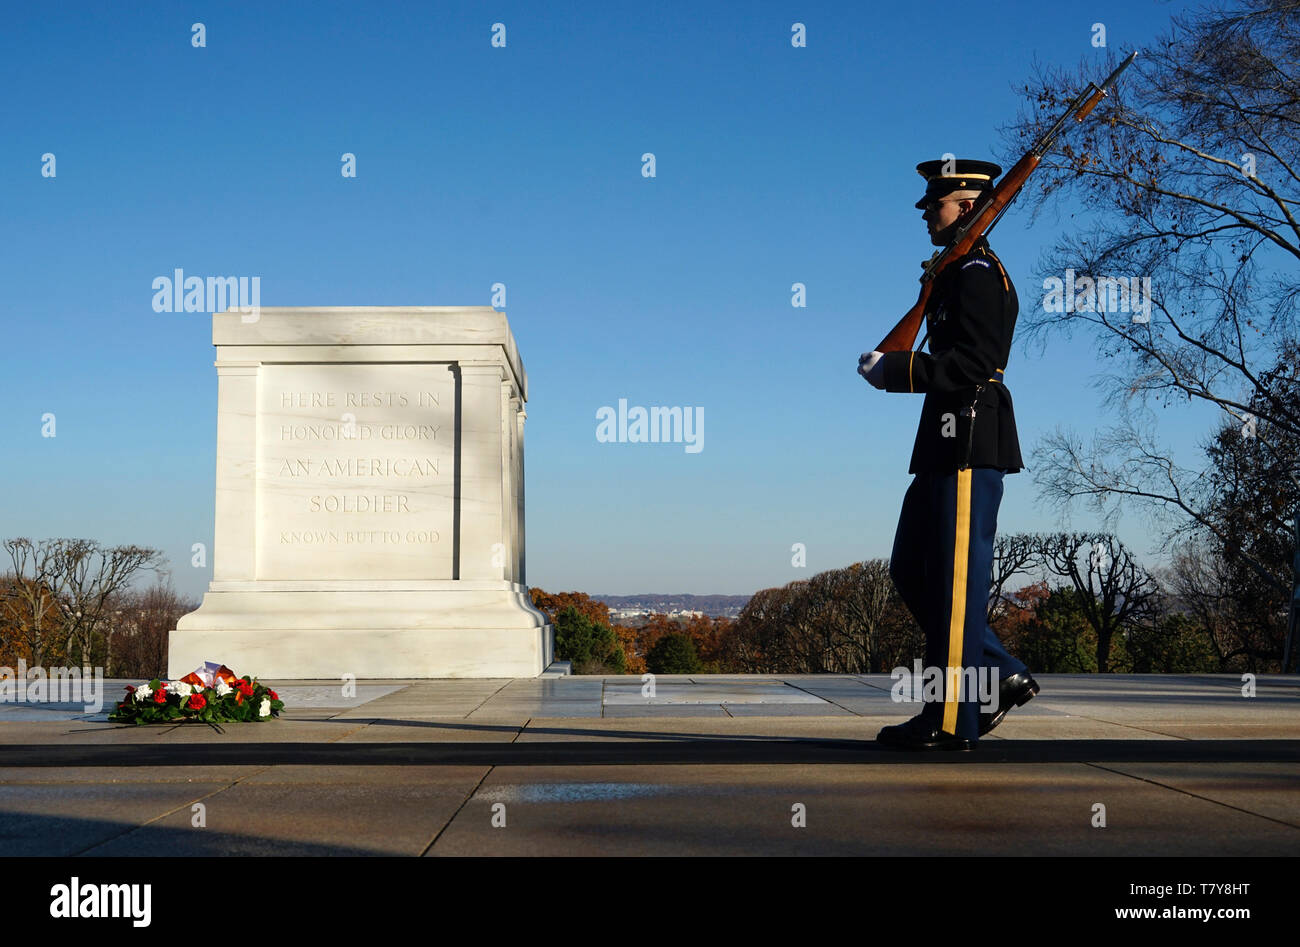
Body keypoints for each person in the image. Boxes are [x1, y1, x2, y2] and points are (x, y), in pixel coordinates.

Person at [858, 158, 1039, 750]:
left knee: (956, 587)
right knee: (913, 570)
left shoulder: (979, 273)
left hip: (967, 437)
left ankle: (950, 719)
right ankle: (998, 672)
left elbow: (974, 365)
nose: (924, 213)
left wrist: (898, 371)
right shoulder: (954, 272)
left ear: (967, 206)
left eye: (934, 203)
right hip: (942, 442)